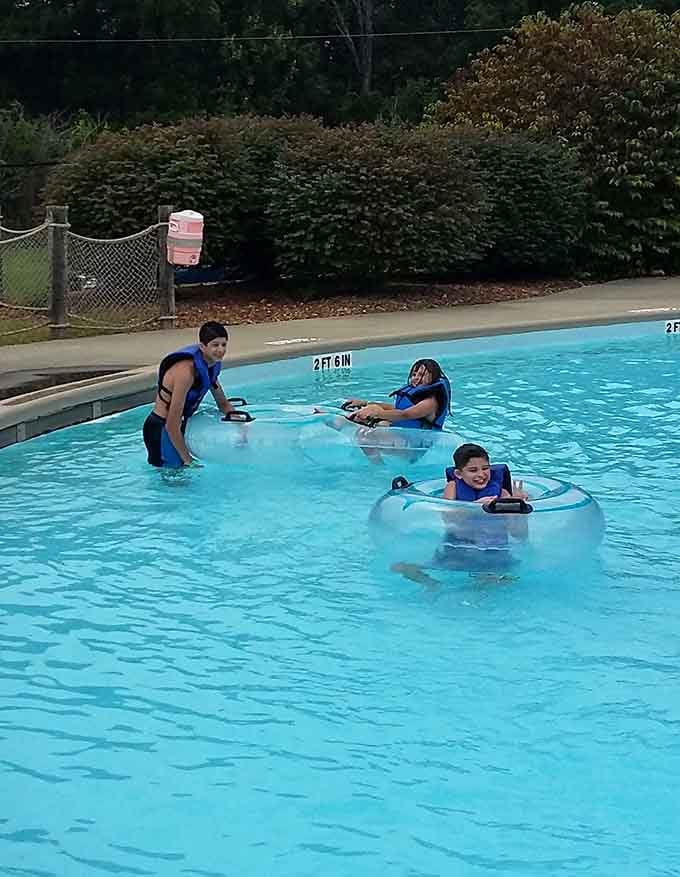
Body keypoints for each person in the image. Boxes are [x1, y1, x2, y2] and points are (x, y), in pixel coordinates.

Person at [392, 443, 529, 587]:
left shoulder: (502, 493)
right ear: (458, 473)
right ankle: (433, 584)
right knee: (399, 567)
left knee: (490, 581)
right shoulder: (453, 487)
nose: (481, 474)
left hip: (491, 554)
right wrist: (476, 506)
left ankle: (478, 586)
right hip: (458, 550)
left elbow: (519, 535)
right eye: (473, 470)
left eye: (485, 468)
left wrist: (519, 507)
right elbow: (448, 519)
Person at [143, 321, 238, 468]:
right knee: (175, 479)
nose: (220, 350)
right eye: (215, 345)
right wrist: (188, 460)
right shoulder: (185, 373)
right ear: (202, 346)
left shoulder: (210, 366)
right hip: (161, 429)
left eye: (224, 345)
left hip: (178, 428)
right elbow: (171, 424)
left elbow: (223, 403)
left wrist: (240, 426)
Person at [343, 359, 451, 430]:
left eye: (422, 375)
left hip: (418, 444)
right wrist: (364, 403)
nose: (416, 378)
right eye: (414, 374)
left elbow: (405, 414)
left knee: (372, 429)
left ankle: (379, 465)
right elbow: (396, 408)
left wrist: (375, 413)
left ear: (434, 377)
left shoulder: (430, 403)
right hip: (406, 435)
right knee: (367, 418)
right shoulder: (419, 394)